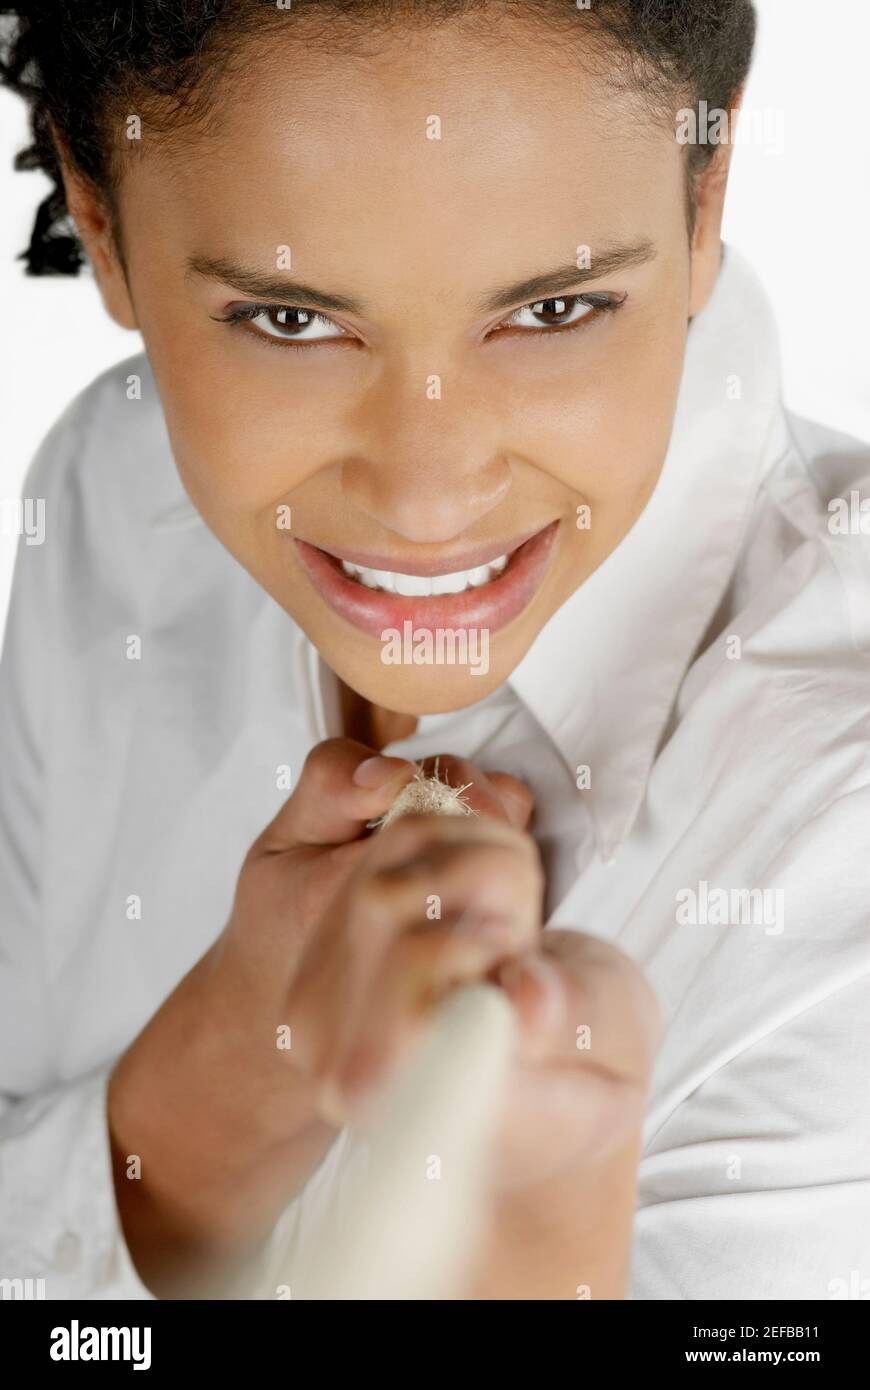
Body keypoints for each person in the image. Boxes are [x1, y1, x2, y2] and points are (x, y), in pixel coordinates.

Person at [0, 0, 867, 1301]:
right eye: (287, 322)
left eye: (556, 306)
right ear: (103, 222)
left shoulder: (838, 817)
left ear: (706, 194)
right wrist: (243, 1047)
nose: (423, 497)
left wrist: (540, 1203)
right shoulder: (116, 502)